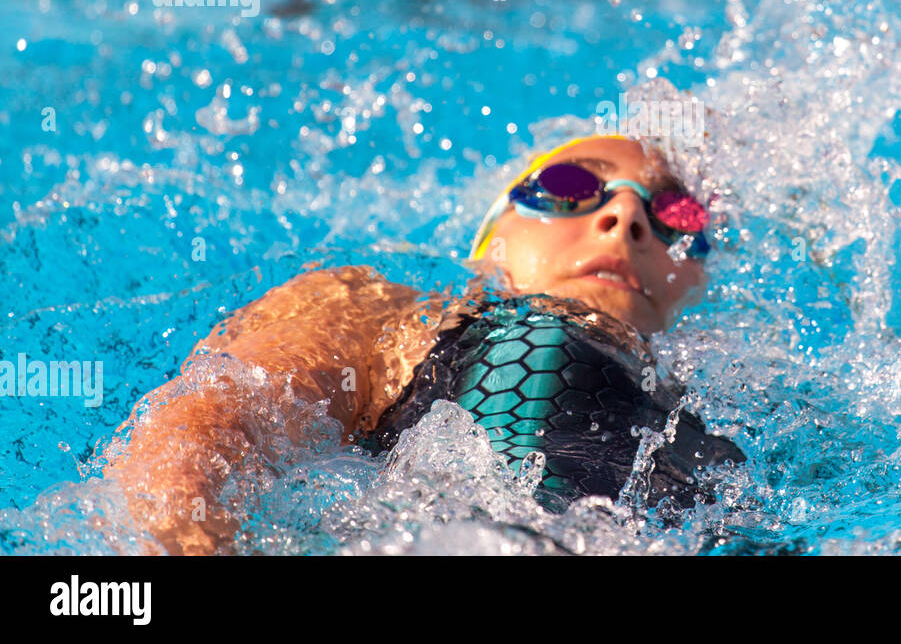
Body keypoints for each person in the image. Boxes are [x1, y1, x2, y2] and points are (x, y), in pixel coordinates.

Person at [100, 133, 743, 554]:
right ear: (490, 241)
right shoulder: (390, 314)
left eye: (676, 214)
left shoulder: (751, 396)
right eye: (570, 186)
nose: (626, 217)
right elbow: (216, 422)